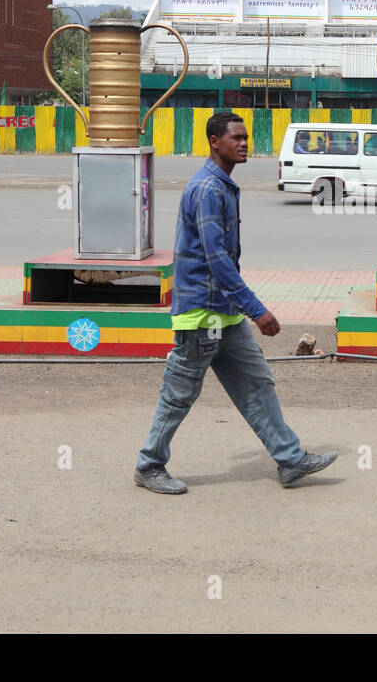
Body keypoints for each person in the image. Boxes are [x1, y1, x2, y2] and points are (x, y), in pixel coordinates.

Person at [134, 112, 336, 494]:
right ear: (214, 141)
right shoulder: (209, 189)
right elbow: (217, 260)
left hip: (223, 313)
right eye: (236, 138)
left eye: (246, 138)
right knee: (179, 395)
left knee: (256, 383)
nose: (244, 143)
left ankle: (290, 459)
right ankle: (149, 465)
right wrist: (257, 310)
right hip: (200, 315)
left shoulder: (220, 185)